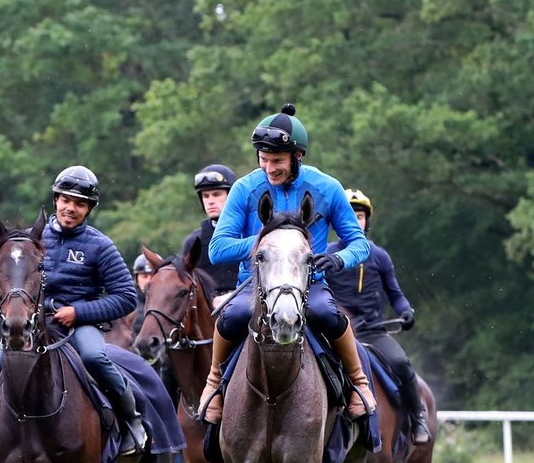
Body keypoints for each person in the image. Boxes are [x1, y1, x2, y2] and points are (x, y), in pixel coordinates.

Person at [198, 104, 376, 423]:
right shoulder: (244, 189)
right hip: (255, 285)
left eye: (277, 161)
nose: (269, 168)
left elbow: (359, 244)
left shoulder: (327, 188)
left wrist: (339, 258)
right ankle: (213, 384)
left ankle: (359, 384)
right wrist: (265, 244)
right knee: (232, 316)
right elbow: (217, 249)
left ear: (298, 156)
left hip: (310, 284)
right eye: (263, 159)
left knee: (327, 314)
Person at [0, 165, 146, 454]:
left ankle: (132, 423)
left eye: (80, 204)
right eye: (66, 200)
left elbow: (126, 297)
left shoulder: (100, 246)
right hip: (32, 324)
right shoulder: (32, 241)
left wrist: (78, 313)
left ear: (89, 209)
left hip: (79, 326)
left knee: (94, 357)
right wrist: (8, 319)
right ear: (55, 200)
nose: (71, 208)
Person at [326, 188, 432, 444]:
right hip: (336, 333)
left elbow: (395, 294)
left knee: (401, 364)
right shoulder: (326, 255)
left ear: (367, 221)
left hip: (374, 332)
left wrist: (406, 311)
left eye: (359, 216)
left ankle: (417, 417)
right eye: (348, 215)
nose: (354, 221)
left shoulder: (380, 256)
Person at [179, 163, 241, 297]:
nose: (210, 201)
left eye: (216, 194)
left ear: (232, 196)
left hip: (245, 305)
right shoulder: (194, 242)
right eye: (205, 196)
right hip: (206, 309)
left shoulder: (247, 233)